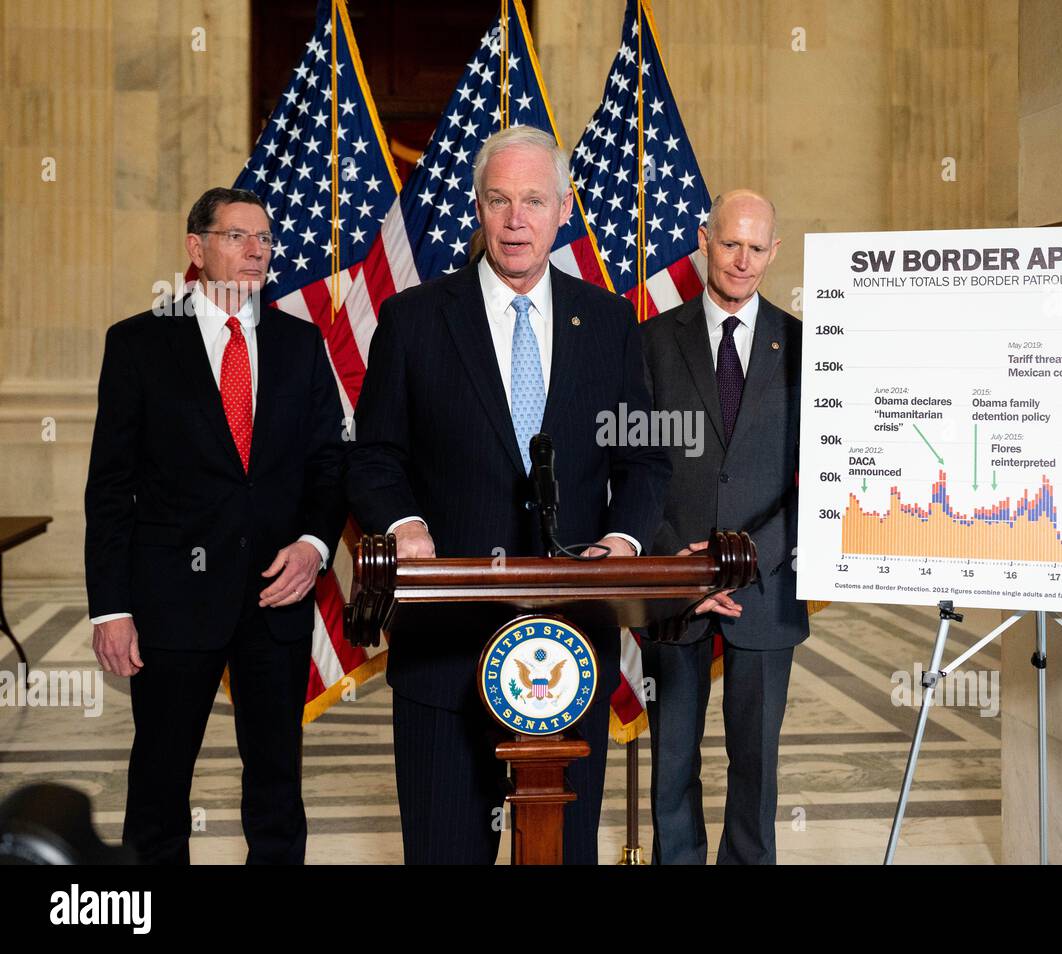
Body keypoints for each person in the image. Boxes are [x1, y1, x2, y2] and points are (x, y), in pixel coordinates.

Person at [347, 125, 670, 865]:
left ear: (563, 210)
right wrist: (404, 523)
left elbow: (646, 460)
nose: (515, 219)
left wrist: (621, 544)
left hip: (568, 653)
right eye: (499, 200)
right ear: (479, 208)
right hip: (443, 656)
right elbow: (373, 458)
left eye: (532, 200)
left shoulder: (612, 323)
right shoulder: (414, 319)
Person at [85, 187, 348, 864]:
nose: (256, 250)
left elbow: (329, 463)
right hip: (172, 600)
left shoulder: (300, 342)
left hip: (275, 597)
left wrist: (315, 546)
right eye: (237, 236)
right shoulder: (139, 344)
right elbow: (111, 487)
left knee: (277, 788)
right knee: (159, 785)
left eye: (263, 238)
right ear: (197, 248)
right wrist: (110, 607)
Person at [639, 189, 806, 864]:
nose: (741, 261)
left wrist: (747, 557)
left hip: (765, 588)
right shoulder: (649, 341)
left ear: (774, 252)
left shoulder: (804, 348)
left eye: (756, 247)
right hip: (674, 586)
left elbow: (826, 480)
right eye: (729, 243)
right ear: (704, 238)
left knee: (755, 767)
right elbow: (628, 467)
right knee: (671, 764)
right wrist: (675, 567)